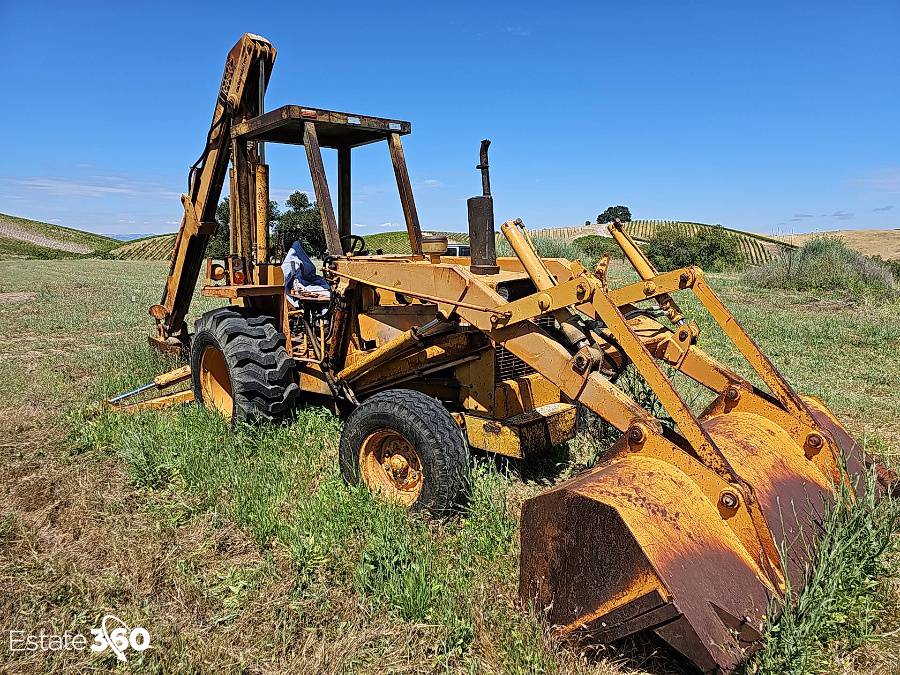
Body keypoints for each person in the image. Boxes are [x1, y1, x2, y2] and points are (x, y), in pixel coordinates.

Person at [281, 240, 330, 306]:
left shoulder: (295, 261)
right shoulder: (290, 263)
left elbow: (309, 273)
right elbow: (292, 280)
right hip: (299, 285)